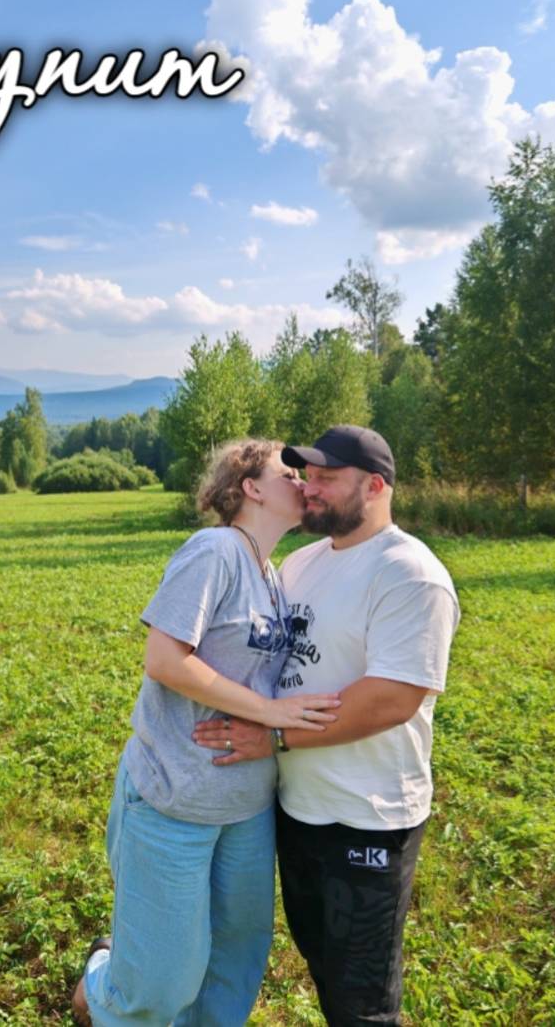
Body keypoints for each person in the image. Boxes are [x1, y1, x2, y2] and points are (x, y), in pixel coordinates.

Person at [191, 425, 458, 1026]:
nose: (310, 488)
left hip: (366, 818)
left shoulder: (408, 573)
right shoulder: (301, 563)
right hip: (298, 810)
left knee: (360, 1003)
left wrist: (274, 737)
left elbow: (392, 699)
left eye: (327, 478)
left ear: (375, 487)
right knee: (319, 959)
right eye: (306, 475)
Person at [74, 439, 344, 1026]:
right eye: (289, 473)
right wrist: (270, 712)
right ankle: (98, 987)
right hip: (175, 795)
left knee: (231, 968)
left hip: (247, 808)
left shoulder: (271, 573)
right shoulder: (215, 550)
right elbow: (165, 660)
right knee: (161, 982)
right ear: (251, 488)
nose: (303, 482)